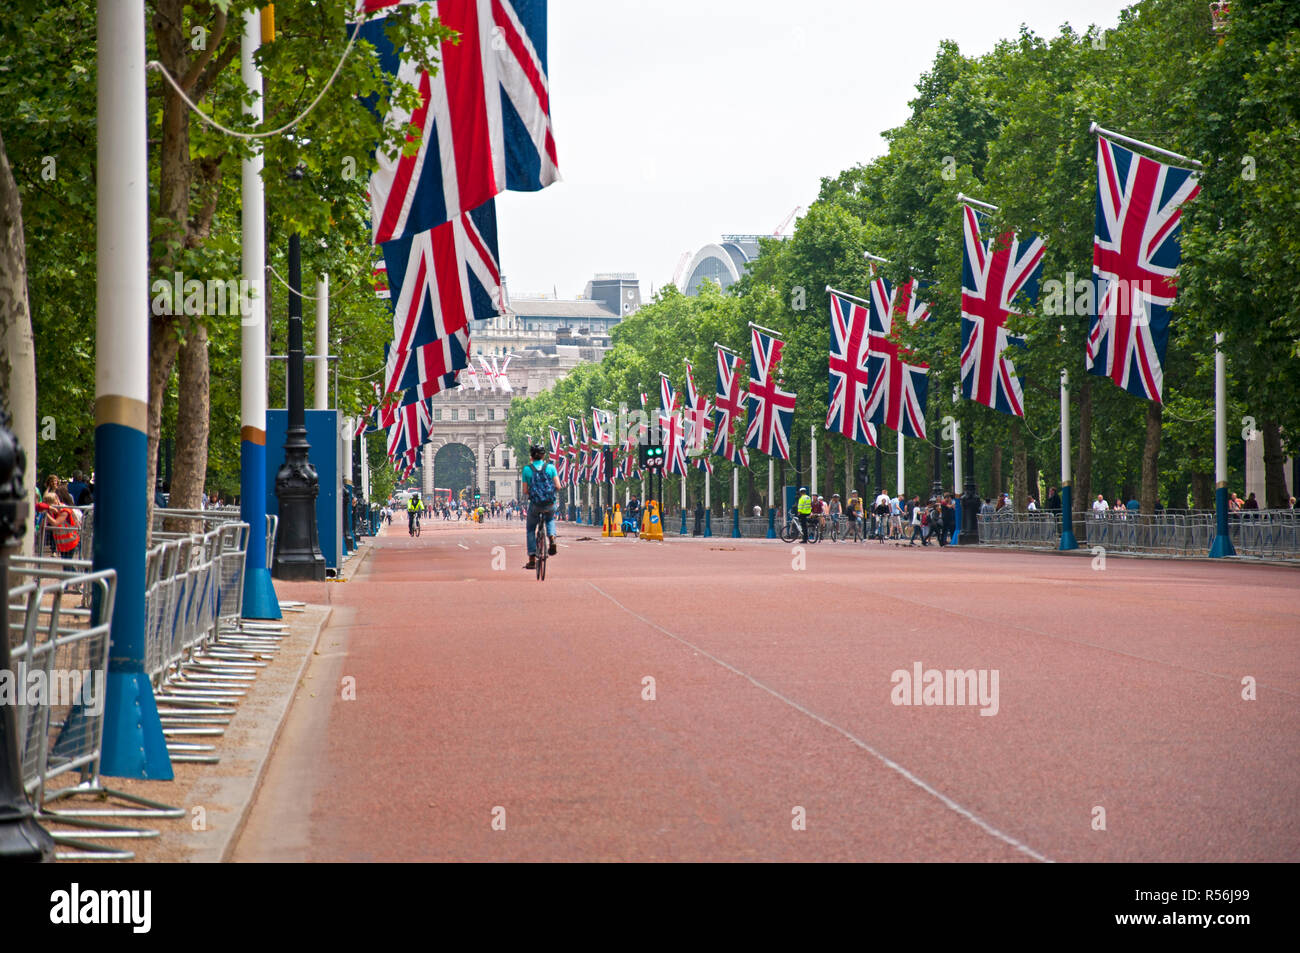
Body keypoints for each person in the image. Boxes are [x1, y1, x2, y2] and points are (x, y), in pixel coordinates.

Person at [521, 444, 561, 570]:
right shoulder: (550, 468)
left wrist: (536, 493)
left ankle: (532, 559)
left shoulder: (527, 469)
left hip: (535, 505)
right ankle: (552, 538)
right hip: (549, 503)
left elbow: (525, 490)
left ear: (531, 456)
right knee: (550, 519)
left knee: (530, 529)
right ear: (544, 455)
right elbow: (558, 486)